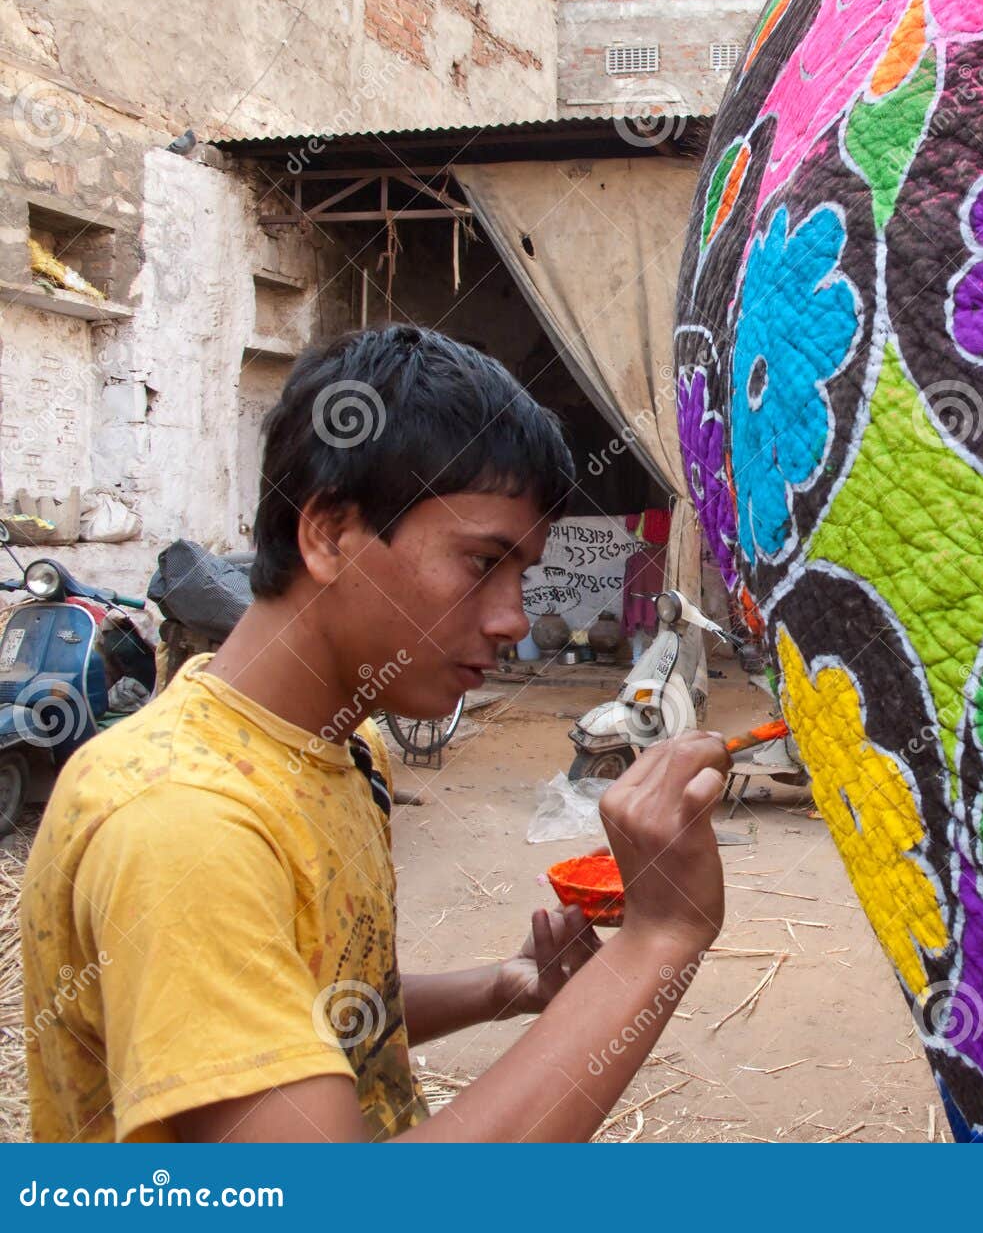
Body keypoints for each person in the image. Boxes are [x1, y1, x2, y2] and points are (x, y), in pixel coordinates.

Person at [19, 325, 730, 1142]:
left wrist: (509, 986)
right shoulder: (183, 825)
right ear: (328, 534)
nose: (513, 619)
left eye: (524, 574)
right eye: (480, 563)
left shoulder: (350, 747)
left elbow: (314, 1009)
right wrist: (660, 939)